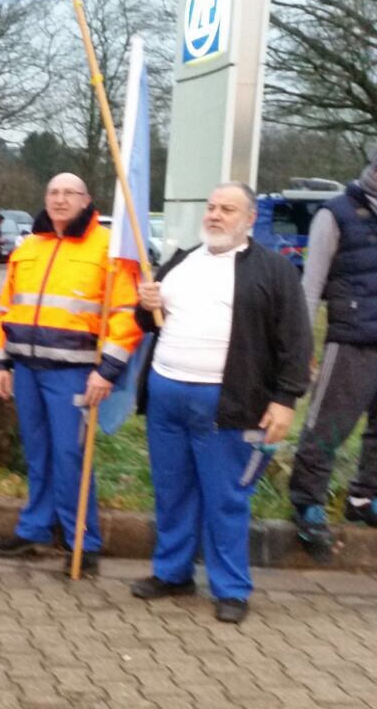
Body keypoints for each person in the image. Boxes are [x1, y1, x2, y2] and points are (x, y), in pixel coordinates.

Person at [131, 182, 311, 623]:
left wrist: (285, 400)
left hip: (227, 402)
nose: (215, 215)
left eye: (227, 209)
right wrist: (144, 304)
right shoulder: (180, 260)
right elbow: (148, 322)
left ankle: (230, 587)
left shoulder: (272, 270)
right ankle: (172, 573)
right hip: (167, 396)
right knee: (172, 492)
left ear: (250, 219)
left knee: (225, 497)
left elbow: (296, 340)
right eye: (211, 207)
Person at [0, 172, 143, 576]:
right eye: (52, 192)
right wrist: (1, 363)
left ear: (86, 199)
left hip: (74, 374)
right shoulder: (29, 246)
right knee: (36, 455)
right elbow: (6, 309)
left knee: (72, 456)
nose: (59, 200)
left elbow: (126, 315)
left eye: (68, 193)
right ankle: (35, 528)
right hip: (26, 369)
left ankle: (82, 541)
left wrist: (107, 371)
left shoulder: (109, 248)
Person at [289, 148, 377, 560]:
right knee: (328, 426)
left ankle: (364, 498)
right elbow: (310, 286)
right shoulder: (336, 213)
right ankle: (307, 503)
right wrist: (303, 345)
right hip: (351, 339)